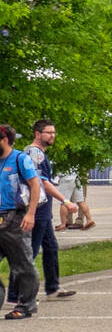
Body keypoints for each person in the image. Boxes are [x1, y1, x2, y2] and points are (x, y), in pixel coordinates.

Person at [7, 120, 77, 310]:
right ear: (37, 134)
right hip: (36, 211)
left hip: (44, 211)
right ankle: (16, 295)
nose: (52, 136)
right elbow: (41, 183)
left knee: (51, 248)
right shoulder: (34, 153)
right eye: (48, 132)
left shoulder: (39, 154)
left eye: (54, 132)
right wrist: (66, 201)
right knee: (27, 253)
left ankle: (53, 288)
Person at [0, 124, 41, 320]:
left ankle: (25, 306)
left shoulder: (19, 159)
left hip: (16, 218)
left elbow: (35, 185)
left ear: (5, 140)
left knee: (22, 264)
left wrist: (30, 213)